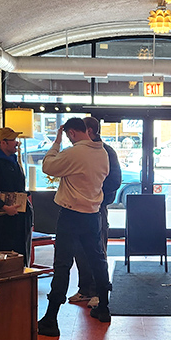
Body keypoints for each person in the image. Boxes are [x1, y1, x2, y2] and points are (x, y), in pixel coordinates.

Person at [38, 117, 111, 336]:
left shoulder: (75, 152)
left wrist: (56, 141)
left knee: (62, 264)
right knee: (97, 259)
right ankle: (104, 307)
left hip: (70, 215)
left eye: (68, 136)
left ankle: (51, 318)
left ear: (71, 132)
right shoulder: (103, 153)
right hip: (92, 214)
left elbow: (47, 166)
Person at [68, 116, 121, 307]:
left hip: (97, 209)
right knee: (79, 249)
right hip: (78, 209)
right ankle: (85, 289)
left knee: (98, 251)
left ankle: (100, 292)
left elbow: (115, 181)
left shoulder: (106, 151)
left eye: (80, 130)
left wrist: (97, 196)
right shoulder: (79, 151)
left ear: (89, 131)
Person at [0, 126, 33, 263]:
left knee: (20, 257)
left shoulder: (12, 161)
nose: (17, 143)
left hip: (19, 219)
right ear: (3, 143)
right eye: (13, 140)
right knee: (5, 259)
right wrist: (4, 207)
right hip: (3, 223)